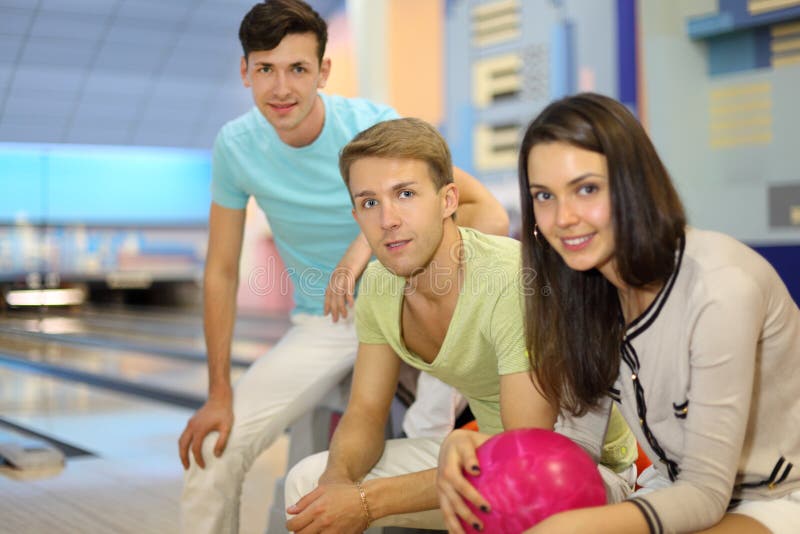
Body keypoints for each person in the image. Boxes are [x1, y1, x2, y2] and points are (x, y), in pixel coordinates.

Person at [176, 2, 510, 532]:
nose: (281, 87)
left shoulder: (372, 125)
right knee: (218, 447)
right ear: (245, 71)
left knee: (391, 445)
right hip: (325, 322)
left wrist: (358, 256)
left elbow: (475, 206)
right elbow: (220, 270)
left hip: (411, 306)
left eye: (298, 69)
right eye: (265, 68)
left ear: (323, 72)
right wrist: (219, 392)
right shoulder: (235, 147)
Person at [437, 92, 800, 534]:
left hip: (776, 497)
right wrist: (477, 456)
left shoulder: (720, 286)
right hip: (668, 488)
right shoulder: (586, 291)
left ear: (634, 185)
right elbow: (575, 455)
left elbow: (706, 494)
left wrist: (570, 527)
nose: (563, 217)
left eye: (586, 189)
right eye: (544, 196)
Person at [283, 117, 637, 532]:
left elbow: (525, 452)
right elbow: (364, 412)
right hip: (480, 460)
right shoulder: (379, 287)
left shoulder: (509, 279)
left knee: (516, 495)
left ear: (448, 200)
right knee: (308, 487)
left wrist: (365, 502)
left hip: (576, 472)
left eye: (406, 194)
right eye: (369, 202)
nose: (388, 219)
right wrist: (336, 486)